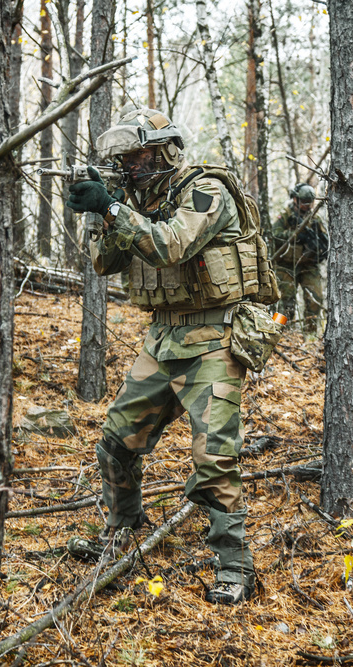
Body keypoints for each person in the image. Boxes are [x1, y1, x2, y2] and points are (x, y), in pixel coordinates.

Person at [63, 108, 279, 604]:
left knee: (214, 457)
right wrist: (104, 210)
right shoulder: (137, 201)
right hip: (162, 338)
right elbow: (106, 263)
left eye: (136, 157)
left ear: (162, 150)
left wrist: (117, 209)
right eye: (123, 161)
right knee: (116, 440)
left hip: (214, 339)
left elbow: (172, 246)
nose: (131, 167)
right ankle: (124, 529)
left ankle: (234, 563)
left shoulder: (205, 190)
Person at [270, 183, 328, 334]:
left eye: (310, 203)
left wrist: (320, 248)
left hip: (309, 265)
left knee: (315, 299)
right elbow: (275, 235)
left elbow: (324, 240)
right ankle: (280, 334)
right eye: (303, 202)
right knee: (286, 302)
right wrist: (295, 236)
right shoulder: (285, 215)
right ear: (295, 199)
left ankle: (310, 335)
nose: (306, 206)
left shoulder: (315, 218)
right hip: (285, 265)